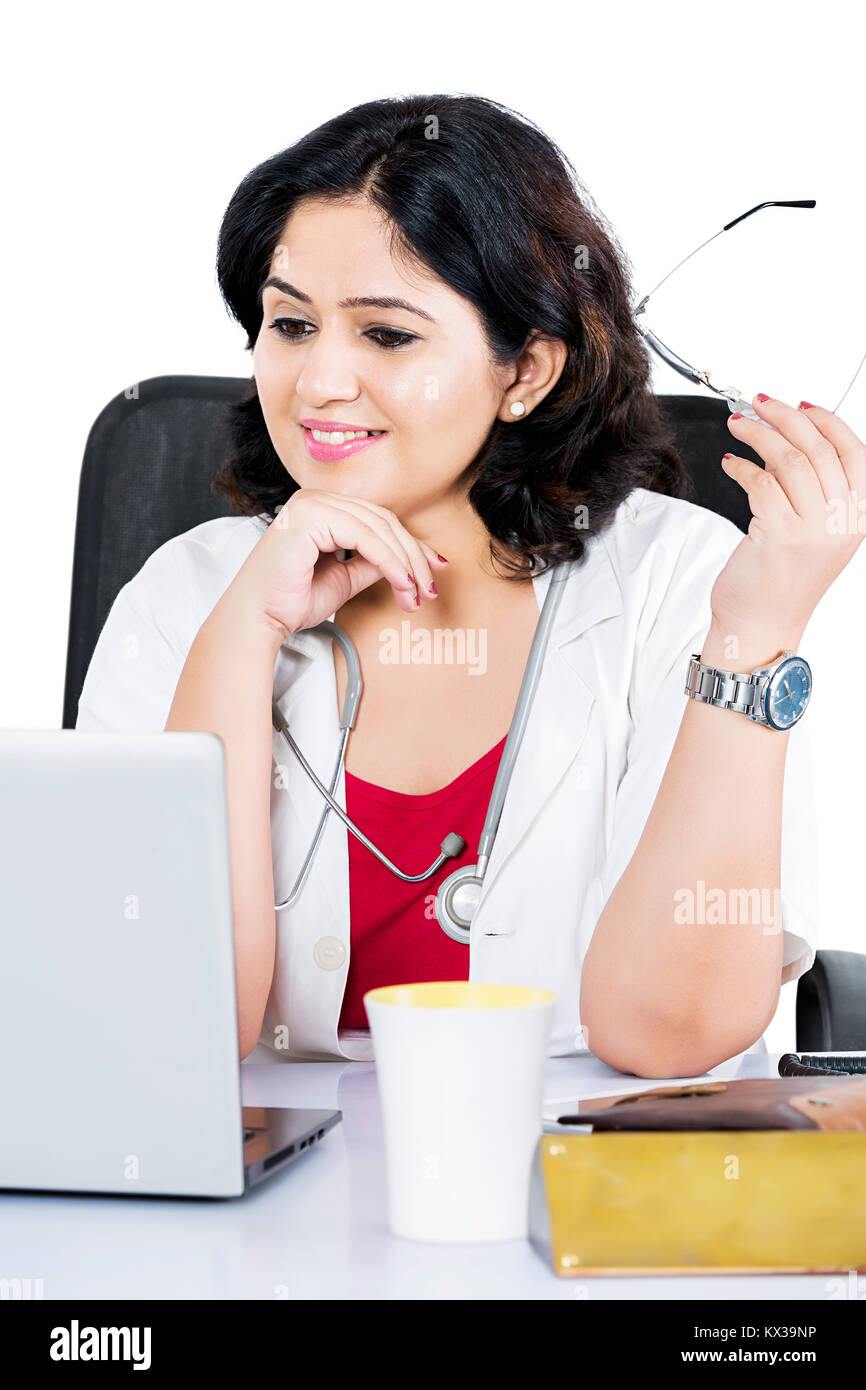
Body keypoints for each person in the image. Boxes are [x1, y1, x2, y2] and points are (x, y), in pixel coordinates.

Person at [76, 94, 863, 1074]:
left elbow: (667, 1034)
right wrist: (241, 636)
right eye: (291, 323)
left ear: (524, 369)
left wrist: (756, 633)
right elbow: (161, 1039)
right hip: (273, 1170)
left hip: (589, 1155)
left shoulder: (690, 584)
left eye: (386, 335)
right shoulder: (185, 597)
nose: (317, 381)